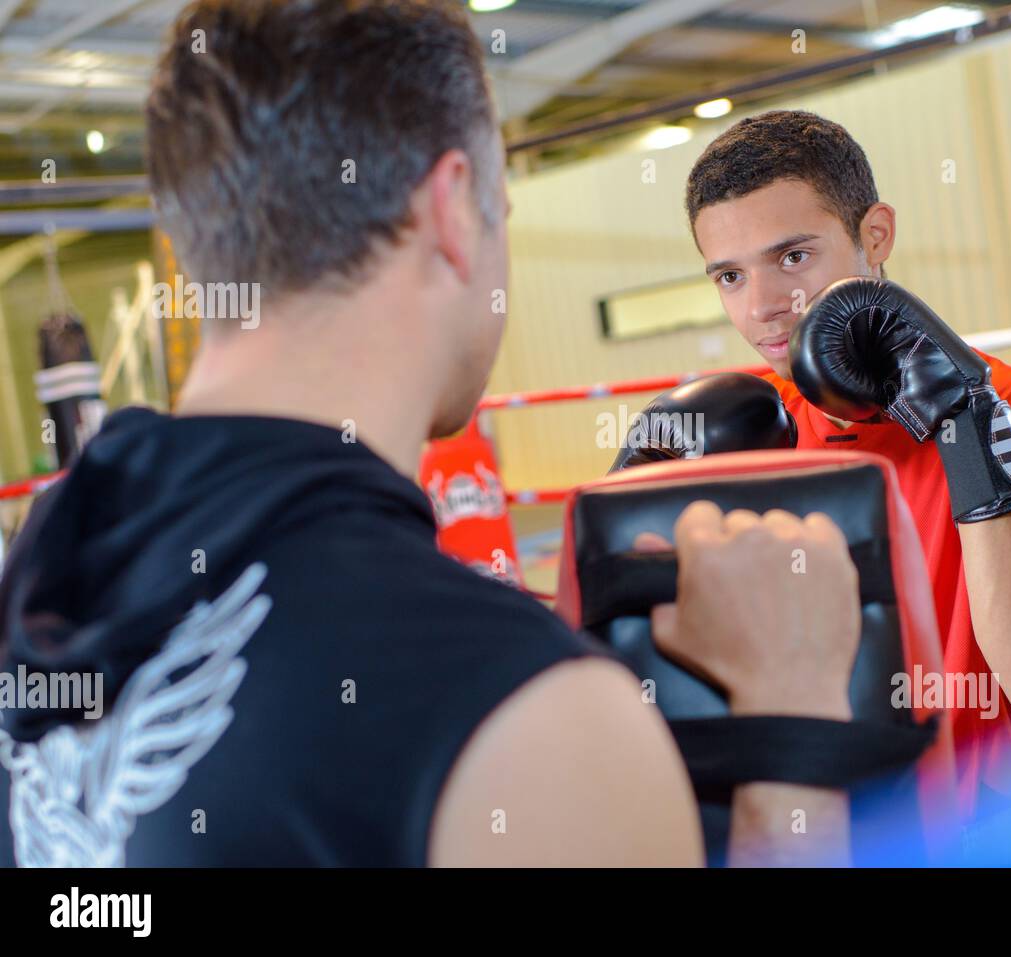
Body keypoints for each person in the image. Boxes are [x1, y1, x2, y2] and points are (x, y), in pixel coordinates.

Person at [0, 2, 865, 868]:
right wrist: (792, 717)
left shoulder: (41, 585)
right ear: (453, 208)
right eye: (503, 208)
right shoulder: (521, 714)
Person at [681, 110, 1011, 818]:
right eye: (729, 275)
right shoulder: (752, 428)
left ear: (873, 235)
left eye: (792, 257)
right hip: (820, 830)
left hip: (986, 831)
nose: (761, 308)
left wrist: (965, 427)